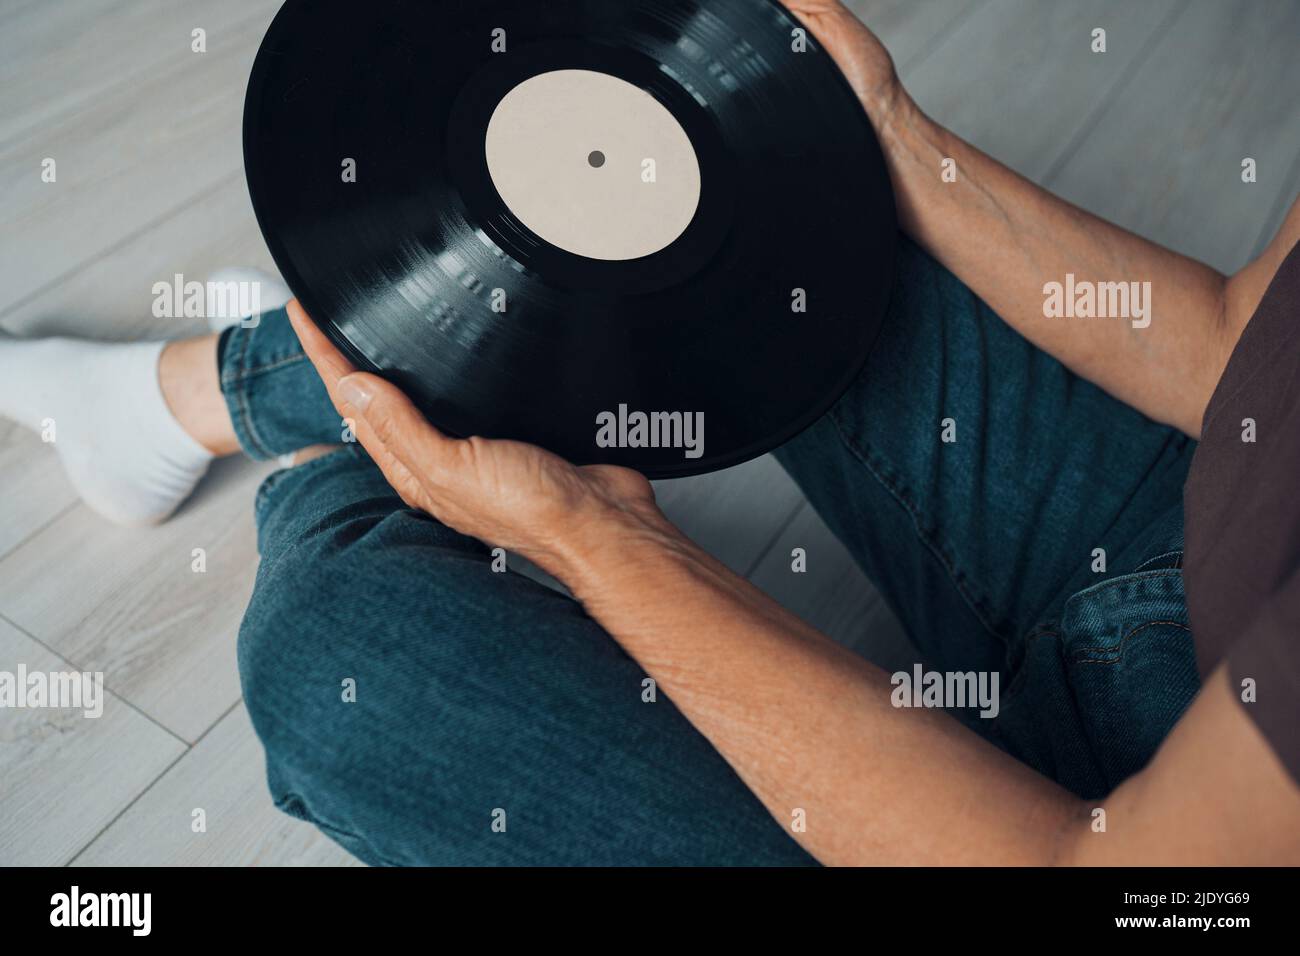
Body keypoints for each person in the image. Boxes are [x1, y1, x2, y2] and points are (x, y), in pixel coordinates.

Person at [2, 0, 1297, 865]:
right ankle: (238, 394)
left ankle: (312, 421)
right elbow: (1245, 340)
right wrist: (896, 138)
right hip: (1187, 574)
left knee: (337, 651)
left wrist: (607, 543)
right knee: (792, 236)